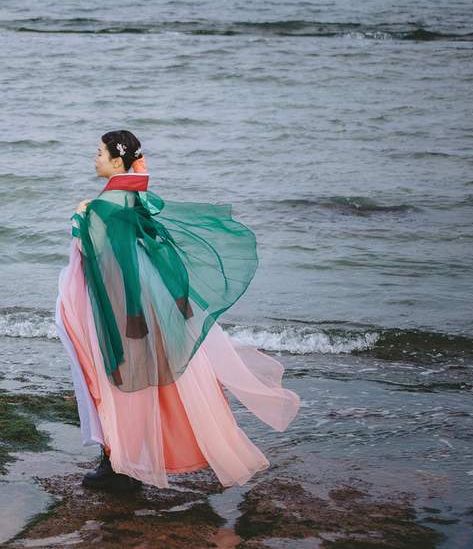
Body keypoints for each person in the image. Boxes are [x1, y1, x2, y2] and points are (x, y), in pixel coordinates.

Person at [54, 130, 301, 492]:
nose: (95, 158)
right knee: (144, 384)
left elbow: (110, 260)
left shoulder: (104, 206)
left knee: (115, 379)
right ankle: (127, 460)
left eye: (99, 152)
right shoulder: (135, 198)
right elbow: (158, 249)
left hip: (121, 303)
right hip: (146, 299)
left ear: (117, 161)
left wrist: (83, 218)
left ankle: (121, 465)